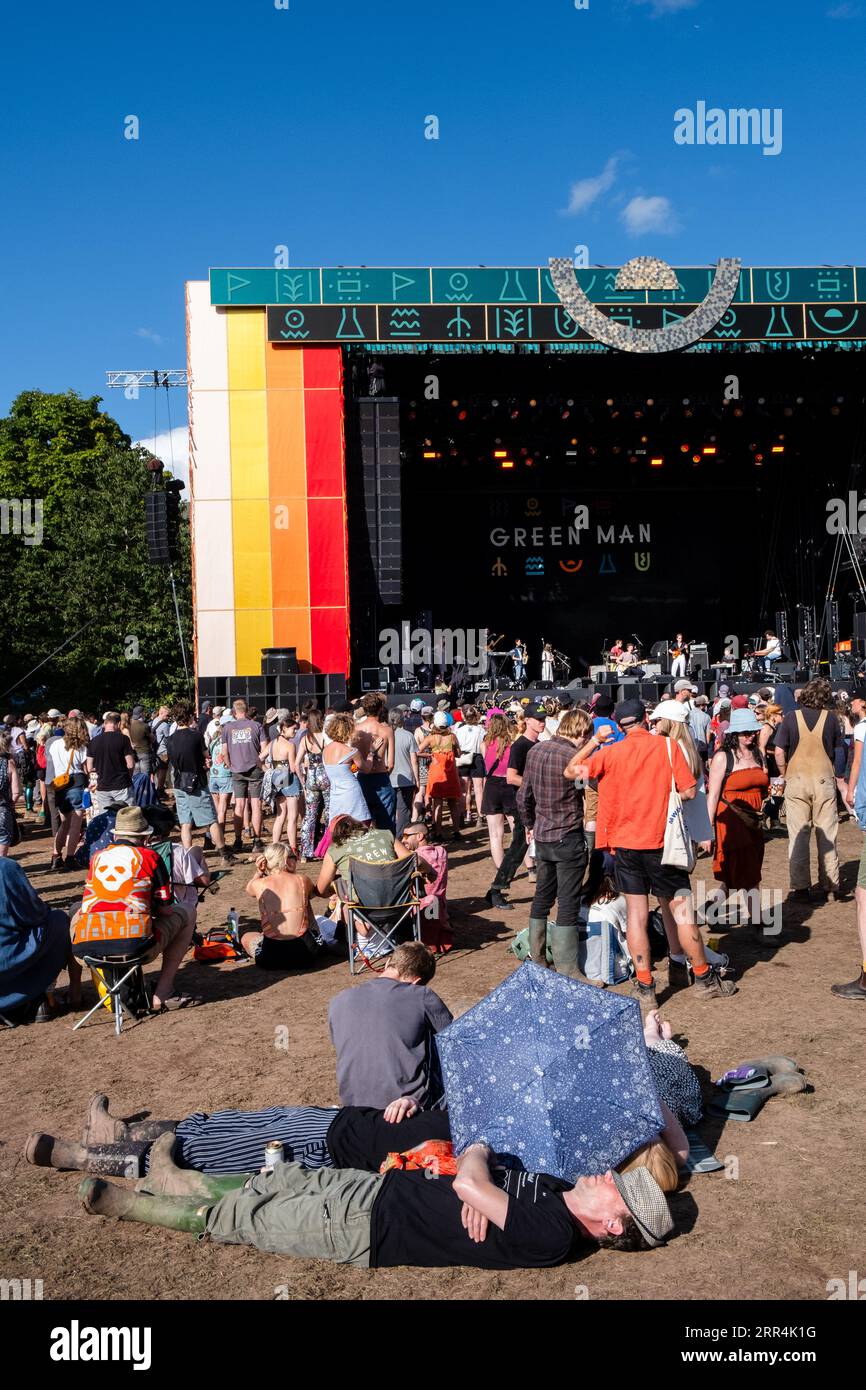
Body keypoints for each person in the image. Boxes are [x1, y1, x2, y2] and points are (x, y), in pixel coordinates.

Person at [33, 1100, 676, 1267]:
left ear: (612, 1223)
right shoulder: (551, 1187)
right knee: (269, 1189)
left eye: (617, 1189)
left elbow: (475, 1182)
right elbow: (475, 1184)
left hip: (369, 1228)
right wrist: (477, 1184)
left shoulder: (554, 1233)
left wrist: (477, 1177)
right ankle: (170, 1178)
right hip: (370, 1187)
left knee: (257, 1219)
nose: (606, 1176)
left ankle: (138, 1204)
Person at [566, 700, 736, 1009]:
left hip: (624, 845)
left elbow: (570, 770)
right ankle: (704, 979)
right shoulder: (668, 748)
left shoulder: (609, 752)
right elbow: (687, 791)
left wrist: (595, 741)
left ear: (619, 725)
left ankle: (645, 987)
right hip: (662, 843)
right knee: (681, 911)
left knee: (636, 915)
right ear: (647, 718)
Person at [70, 805, 197, 1012]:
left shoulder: (97, 858)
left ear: (116, 834)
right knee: (187, 912)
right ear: (145, 837)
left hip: (87, 951)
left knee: (76, 910)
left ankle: (75, 992)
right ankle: (163, 993)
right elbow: (165, 910)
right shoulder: (150, 857)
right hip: (135, 947)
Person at [328, 942, 453, 1110]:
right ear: (417, 982)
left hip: (353, 1106)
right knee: (443, 1041)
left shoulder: (339, 999)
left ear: (387, 964)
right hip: (407, 1107)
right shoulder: (421, 995)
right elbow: (454, 1042)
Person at [517, 707, 594, 977]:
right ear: (582, 732)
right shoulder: (574, 757)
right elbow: (590, 791)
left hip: (543, 835)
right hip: (567, 836)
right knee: (568, 901)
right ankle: (568, 968)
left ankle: (537, 957)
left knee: (542, 896)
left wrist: (529, 824)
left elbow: (523, 796)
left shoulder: (535, 750)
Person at [773, 677, 847, 901]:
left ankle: (801, 887)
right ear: (825, 696)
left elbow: (778, 751)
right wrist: (839, 776)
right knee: (827, 834)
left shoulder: (790, 718)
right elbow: (840, 752)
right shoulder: (832, 719)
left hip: (796, 780)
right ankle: (831, 885)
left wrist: (784, 773)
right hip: (824, 779)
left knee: (798, 835)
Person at [705, 709, 770, 921]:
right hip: (731, 822)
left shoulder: (759, 754)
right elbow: (713, 795)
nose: (749, 735)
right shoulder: (724, 756)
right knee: (749, 874)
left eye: (752, 731)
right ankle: (758, 921)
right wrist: (707, 831)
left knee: (737, 873)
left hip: (753, 821)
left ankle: (711, 908)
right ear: (735, 733)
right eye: (744, 732)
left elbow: (762, 785)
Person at [485, 702, 547, 911]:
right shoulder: (520, 745)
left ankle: (497, 889)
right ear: (527, 720)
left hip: (533, 803)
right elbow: (511, 777)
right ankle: (496, 889)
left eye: (543, 719)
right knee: (519, 846)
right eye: (538, 719)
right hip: (522, 803)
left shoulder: (537, 744)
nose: (542, 722)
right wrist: (539, 784)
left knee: (526, 845)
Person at [0, 857, 71, 1021]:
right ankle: (41, 996)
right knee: (59, 921)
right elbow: (33, 913)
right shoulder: (5, 868)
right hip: (6, 957)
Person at [167, 703, 232, 866]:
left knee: (185, 822)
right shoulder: (195, 736)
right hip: (196, 783)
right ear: (189, 716)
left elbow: (173, 761)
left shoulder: (171, 739)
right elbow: (205, 755)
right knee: (211, 820)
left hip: (179, 782)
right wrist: (205, 764)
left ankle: (187, 857)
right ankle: (224, 854)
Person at [241, 843, 319, 971]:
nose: (297, 860)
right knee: (305, 905)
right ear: (286, 860)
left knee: (247, 937)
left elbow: (249, 890)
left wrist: (259, 872)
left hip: (271, 958)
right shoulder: (302, 880)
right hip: (306, 955)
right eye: (294, 857)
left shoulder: (259, 884)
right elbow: (312, 894)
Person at [221, 698, 267, 857]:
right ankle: (257, 841)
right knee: (256, 805)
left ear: (234, 712)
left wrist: (229, 764)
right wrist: (260, 762)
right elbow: (265, 748)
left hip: (237, 770)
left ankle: (238, 840)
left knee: (239, 805)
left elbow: (224, 751)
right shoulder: (256, 725)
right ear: (246, 711)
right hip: (254, 768)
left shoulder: (227, 728)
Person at [45, 715, 90, 871]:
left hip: (60, 785)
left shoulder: (55, 744)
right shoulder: (81, 747)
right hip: (76, 783)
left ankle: (55, 856)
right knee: (75, 824)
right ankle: (70, 857)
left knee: (63, 824)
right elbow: (86, 769)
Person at [400, 820, 451, 950]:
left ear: (419, 836)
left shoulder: (414, 858)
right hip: (440, 909)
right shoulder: (442, 852)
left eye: (406, 836)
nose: (403, 840)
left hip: (420, 911)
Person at [354, 694, 397, 833]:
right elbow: (390, 764)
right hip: (381, 778)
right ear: (380, 709)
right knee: (387, 824)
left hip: (361, 778)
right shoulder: (386, 730)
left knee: (363, 824)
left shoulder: (356, 729)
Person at [418, 712, 462, 841]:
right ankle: (456, 831)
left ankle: (438, 832)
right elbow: (458, 753)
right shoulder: (452, 737)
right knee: (453, 802)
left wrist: (430, 755)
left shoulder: (431, 738)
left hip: (437, 771)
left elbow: (417, 751)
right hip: (450, 772)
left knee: (437, 803)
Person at [480, 712, 515, 866]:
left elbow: (486, 764)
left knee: (495, 834)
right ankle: (531, 867)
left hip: (492, 786)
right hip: (510, 784)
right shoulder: (513, 745)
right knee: (518, 830)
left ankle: (501, 869)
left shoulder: (485, 744)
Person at [297, 709, 330, 860]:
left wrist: (302, 779)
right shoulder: (325, 737)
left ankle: (306, 851)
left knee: (310, 815)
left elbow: (296, 763)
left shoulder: (305, 739)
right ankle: (328, 848)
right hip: (325, 776)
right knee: (329, 813)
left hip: (311, 777)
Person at [86, 712, 135, 813]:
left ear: (104, 724)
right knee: (127, 818)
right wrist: (129, 776)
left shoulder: (94, 741)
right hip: (122, 784)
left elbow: (89, 767)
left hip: (103, 786)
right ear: (117, 724)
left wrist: (101, 768)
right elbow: (130, 764)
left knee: (106, 820)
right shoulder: (123, 739)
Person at [268, 716, 302, 853]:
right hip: (290, 778)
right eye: (293, 729)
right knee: (292, 817)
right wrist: (302, 779)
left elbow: (259, 759)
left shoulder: (272, 743)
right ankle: (293, 848)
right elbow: (293, 767)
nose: (295, 732)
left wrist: (268, 771)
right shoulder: (290, 745)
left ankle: (274, 847)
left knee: (280, 816)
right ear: (284, 728)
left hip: (277, 776)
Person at [388, 710, 420, 837]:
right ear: (402, 719)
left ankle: (390, 838)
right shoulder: (408, 736)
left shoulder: (384, 735)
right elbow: (414, 760)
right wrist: (416, 780)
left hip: (389, 778)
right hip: (406, 779)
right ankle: (401, 838)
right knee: (404, 811)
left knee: (389, 810)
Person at [454, 706, 485, 826]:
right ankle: (480, 816)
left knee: (464, 789)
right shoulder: (481, 730)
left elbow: (457, 745)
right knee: (478, 789)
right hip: (477, 757)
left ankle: (462, 815)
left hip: (464, 757)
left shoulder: (459, 730)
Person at [0, 732, 22, 859]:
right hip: (2, 811)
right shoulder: (9, 764)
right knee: (2, 855)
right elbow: (16, 792)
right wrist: (11, 804)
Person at [128, 706, 154, 778]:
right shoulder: (145, 726)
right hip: (144, 752)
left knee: (136, 775)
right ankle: (144, 789)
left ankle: (137, 789)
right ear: (141, 714)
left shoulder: (129, 725)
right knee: (145, 775)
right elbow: (152, 739)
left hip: (134, 752)